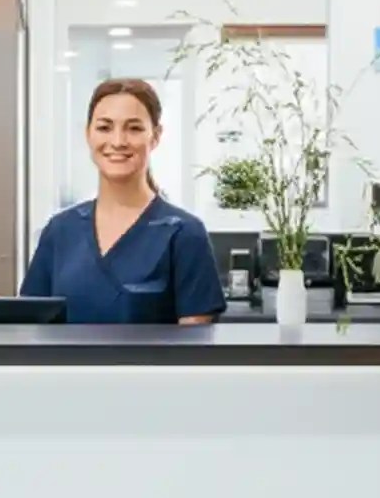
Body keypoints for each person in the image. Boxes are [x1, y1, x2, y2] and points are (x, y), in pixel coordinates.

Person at [20, 78, 227, 324]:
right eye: (105, 128)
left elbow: (195, 353)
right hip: (66, 365)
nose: (118, 141)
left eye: (134, 128)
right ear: (88, 134)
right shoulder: (60, 231)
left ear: (156, 136)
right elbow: (30, 329)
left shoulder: (184, 234)